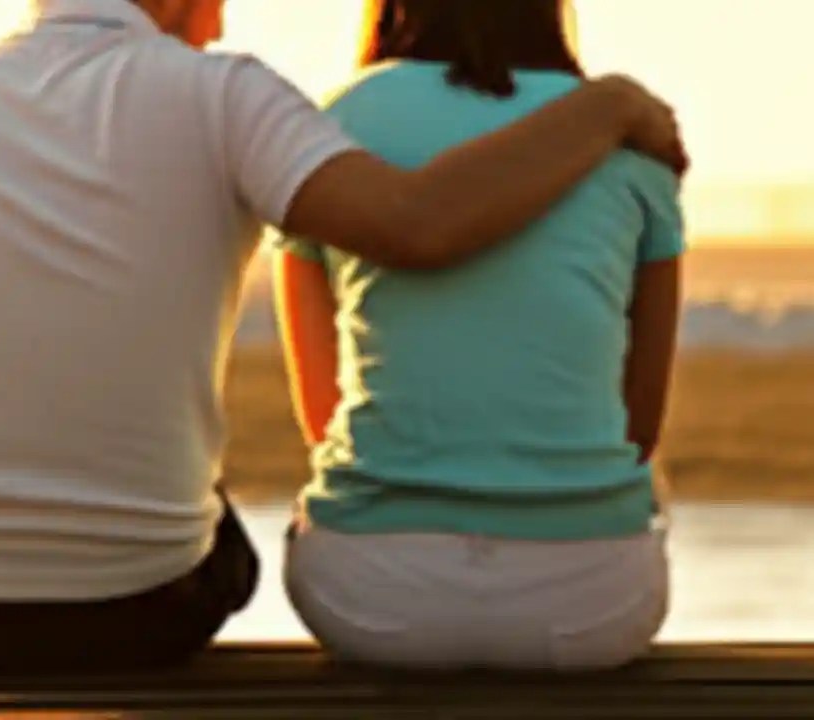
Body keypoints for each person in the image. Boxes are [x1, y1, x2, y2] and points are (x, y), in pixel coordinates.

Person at [0, 0, 686, 678]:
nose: (222, 22)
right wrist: (608, 106)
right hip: (146, 613)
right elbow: (419, 224)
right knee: (203, 515)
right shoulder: (228, 98)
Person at [275, 0, 687, 671]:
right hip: (593, 605)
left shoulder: (337, 125)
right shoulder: (633, 142)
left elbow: (321, 418)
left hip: (371, 598)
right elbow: (640, 427)